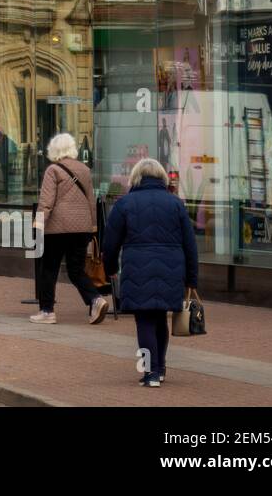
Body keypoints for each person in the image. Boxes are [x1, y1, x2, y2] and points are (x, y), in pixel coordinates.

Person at [103, 157, 199, 388]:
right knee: (160, 319)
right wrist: (192, 279)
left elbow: (110, 243)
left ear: (136, 177)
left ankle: (150, 373)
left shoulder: (125, 204)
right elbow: (190, 244)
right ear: (162, 178)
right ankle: (160, 368)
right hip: (171, 269)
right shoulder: (176, 204)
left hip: (138, 269)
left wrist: (110, 269)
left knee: (144, 320)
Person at [30, 132, 110, 326]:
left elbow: (46, 201)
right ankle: (95, 299)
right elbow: (91, 200)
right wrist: (92, 226)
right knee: (76, 270)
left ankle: (47, 311)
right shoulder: (84, 169)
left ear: (54, 150)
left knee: (48, 269)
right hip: (81, 228)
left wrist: (38, 224)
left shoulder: (53, 170)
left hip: (57, 228)